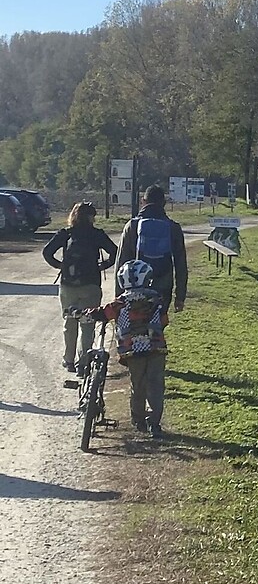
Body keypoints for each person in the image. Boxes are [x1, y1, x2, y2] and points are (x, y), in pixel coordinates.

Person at [75, 260, 168, 436]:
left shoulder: (120, 302)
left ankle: (139, 420)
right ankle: (154, 424)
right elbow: (164, 321)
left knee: (138, 385)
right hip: (156, 348)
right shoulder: (157, 299)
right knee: (155, 385)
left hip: (131, 350)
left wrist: (82, 312)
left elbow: (103, 313)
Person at [42, 201, 118, 372]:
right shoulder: (97, 234)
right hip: (91, 285)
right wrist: (103, 266)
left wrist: (61, 266)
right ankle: (84, 362)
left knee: (69, 323)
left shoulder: (65, 233)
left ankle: (68, 360)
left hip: (68, 285)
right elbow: (114, 252)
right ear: (91, 217)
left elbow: (47, 252)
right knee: (88, 324)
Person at [117, 185, 187, 312]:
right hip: (163, 287)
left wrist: (118, 297)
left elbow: (122, 262)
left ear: (143, 202)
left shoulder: (132, 226)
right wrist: (180, 297)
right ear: (164, 203)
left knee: (135, 321)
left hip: (135, 287)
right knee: (158, 320)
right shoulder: (173, 227)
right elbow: (181, 265)